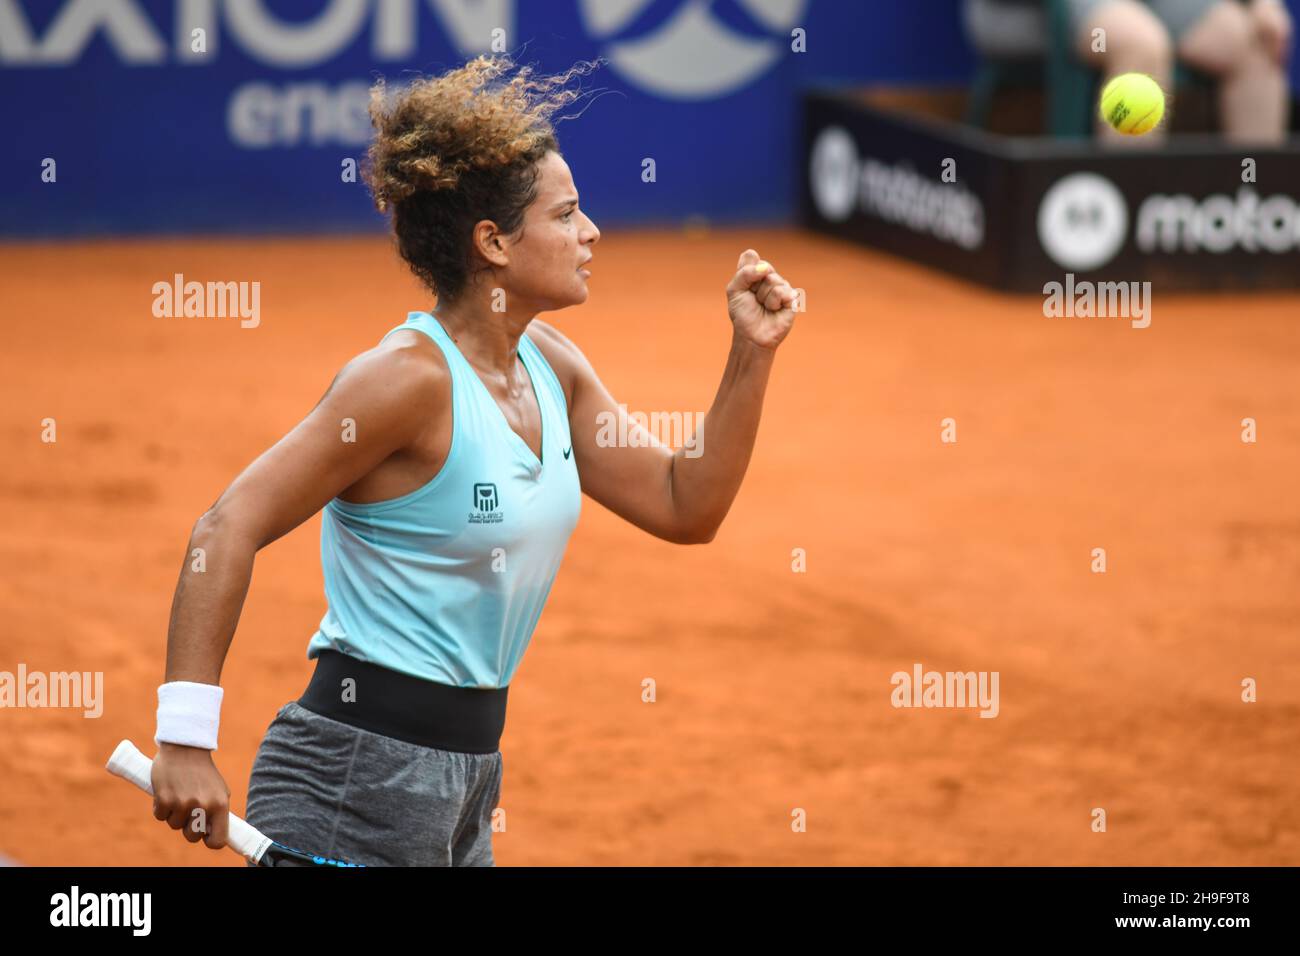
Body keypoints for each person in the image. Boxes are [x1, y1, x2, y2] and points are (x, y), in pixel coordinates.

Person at [147, 55, 798, 866]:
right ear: (492, 241)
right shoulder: (403, 383)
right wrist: (184, 737)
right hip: (353, 776)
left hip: (470, 783)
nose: (591, 232)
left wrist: (751, 354)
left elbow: (683, 503)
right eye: (566, 215)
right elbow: (227, 523)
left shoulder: (552, 367)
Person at [964, 0, 1293, 143]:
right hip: (1030, 12)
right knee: (1141, 45)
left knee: (1256, 47)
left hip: (1151, 3)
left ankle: (1256, 215)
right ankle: (1124, 219)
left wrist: (1263, 3)